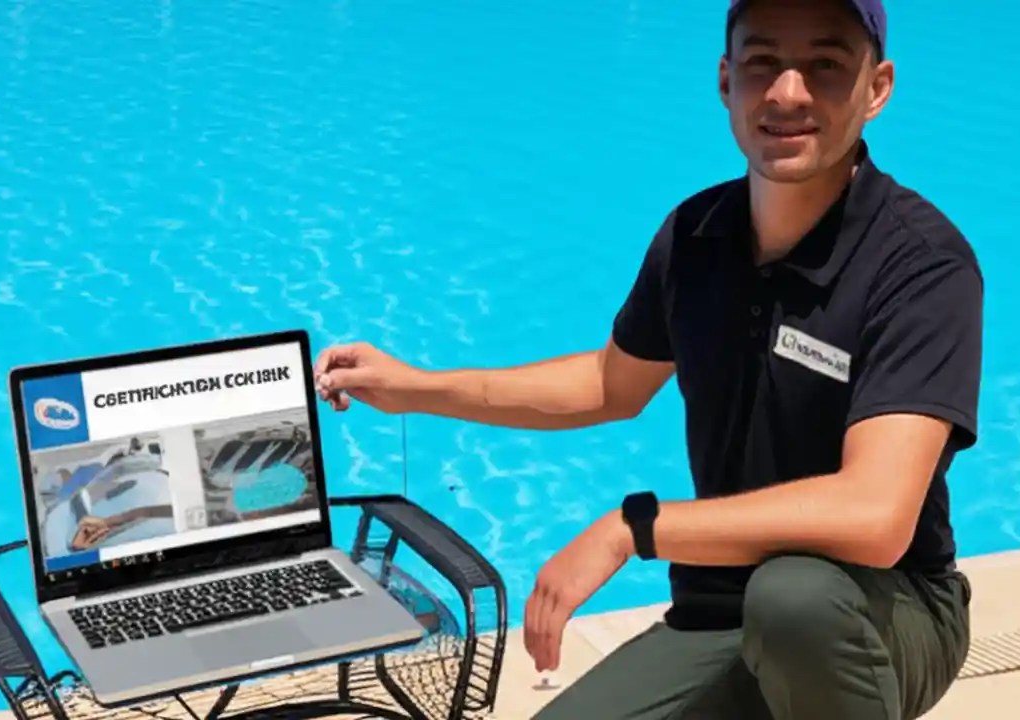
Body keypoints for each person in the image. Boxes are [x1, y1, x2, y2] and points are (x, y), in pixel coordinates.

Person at [314, 0, 981, 717]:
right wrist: (413, 388)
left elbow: (873, 517)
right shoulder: (697, 237)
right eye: (762, 64)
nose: (788, 93)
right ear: (726, 80)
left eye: (824, 65)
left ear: (876, 88)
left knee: (796, 600)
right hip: (723, 608)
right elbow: (609, 383)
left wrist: (634, 530)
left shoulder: (919, 266)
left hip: (882, 611)